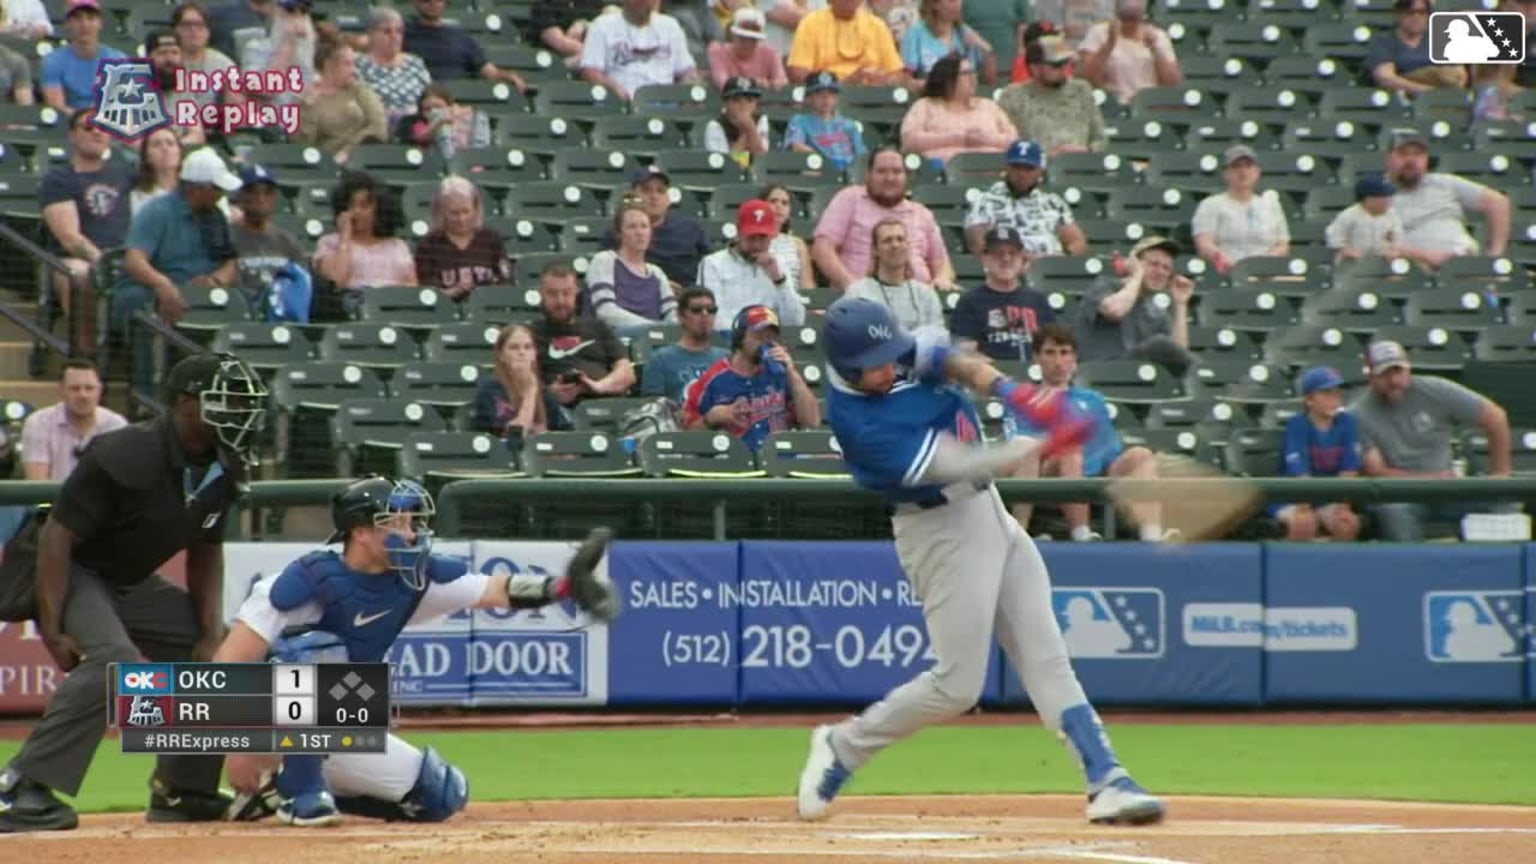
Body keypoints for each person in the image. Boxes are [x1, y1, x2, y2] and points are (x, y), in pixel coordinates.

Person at [797, 296, 1164, 826]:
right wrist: (1039, 440)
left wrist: (1016, 391)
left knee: (1047, 657)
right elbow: (961, 464)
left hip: (988, 512)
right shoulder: (860, 425)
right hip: (939, 529)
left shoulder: (890, 353)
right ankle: (843, 745)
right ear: (849, 368)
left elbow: (955, 362)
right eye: (874, 363)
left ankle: (1106, 778)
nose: (888, 365)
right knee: (958, 685)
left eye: (889, 354)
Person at [215, 477, 618, 826]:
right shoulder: (301, 583)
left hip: (336, 723)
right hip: (261, 719)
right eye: (396, 522)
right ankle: (300, 796)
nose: (410, 533)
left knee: (441, 793)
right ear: (360, 532)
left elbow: (495, 589)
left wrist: (563, 588)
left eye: (411, 521)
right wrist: (240, 749)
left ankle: (279, 789)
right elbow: (228, 664)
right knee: (318, 652)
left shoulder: (411, 579)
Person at [0, 353, 269, 832]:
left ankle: (183, 790)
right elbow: (57, 538)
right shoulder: (126, 452)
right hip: (74, 568)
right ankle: (21, 786)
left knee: (217, 651)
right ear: (187, 404)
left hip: (127, 579)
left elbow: (207, 549)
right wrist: (54, 626)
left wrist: (209, 633)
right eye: (227, 402)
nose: (240, 414)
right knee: (113, 663)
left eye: (243, 403)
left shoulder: (222, 463)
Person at [1005, 324, 1167, 542]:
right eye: (1050, 353)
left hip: (1095, 472)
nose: (1058, 361)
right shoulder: (1025, 399)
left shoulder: (1093, 400)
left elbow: (1109, 452)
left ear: (1074, 358)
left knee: (1141, 454)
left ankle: (1153, 538)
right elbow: (1023, 449)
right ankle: (1081, 535)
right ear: (1037, 357)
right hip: (1048, 473)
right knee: (1070, 454)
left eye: (1064, 353)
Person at [1352, 340, 1513, 542]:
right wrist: (1431, 478)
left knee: (1504, 499)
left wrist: (1501, 474)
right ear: (1371, 377)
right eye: (1385, 374)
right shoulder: (1358, 414)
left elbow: (1496, 417)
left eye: (1398, 371)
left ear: (1408, 369)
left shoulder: (1434, 390)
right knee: (1394, 511)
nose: (1394, 380)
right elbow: (1377, 471)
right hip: (1399, 494)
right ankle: (1414, 570)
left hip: (1448, 489)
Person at [813, 148, 957, 292]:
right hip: (860, 299)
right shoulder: (850, 199)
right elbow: (823, 249)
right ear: (868, 175)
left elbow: (941, 261)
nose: (890, 178)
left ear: (907, 177)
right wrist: (850, 286)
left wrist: (942, 278)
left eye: (897, 172)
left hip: (918, 300)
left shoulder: (922, 213)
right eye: (881, 171)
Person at [682, 305, 821, 451]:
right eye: (759, 336)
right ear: (740, 337)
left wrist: (792, 372)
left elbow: (812, 421)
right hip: (734, 462)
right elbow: (686, 436)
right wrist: (711, 419)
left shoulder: (781, 374)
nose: (766, 342)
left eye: (771, 337)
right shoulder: (713, 378)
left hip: (780, 459)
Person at [1384, 130, 1510, 269]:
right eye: (1403, 154)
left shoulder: (1444, 183)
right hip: (1413, 268)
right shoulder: (1376, 194)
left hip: (1463, 261)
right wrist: (1428, 256)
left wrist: (1495, 255)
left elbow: (1498, 203)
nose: (1411, 160)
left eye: (1418, 154)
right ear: (1388, 158)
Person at [1072, 235, 1194, 376]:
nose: (1160, 272)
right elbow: (1115, 311)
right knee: (1159, 344)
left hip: (1137, 378)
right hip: (1099, 371)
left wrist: (1180, 304)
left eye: (1166, 268)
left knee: (1163, 347)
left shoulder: (1157, 312)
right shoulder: (1105, 285)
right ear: (1135, 263)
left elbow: (1178, 354)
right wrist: (1137, 274)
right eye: (1153, 264)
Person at [531, 261, 638, 408]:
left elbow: (626, 373)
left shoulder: (598, 327)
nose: (560, 301)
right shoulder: (530, 334)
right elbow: (520, 382)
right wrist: (549, 394)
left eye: (566, 293)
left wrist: (598, 386)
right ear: (541, 294)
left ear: (576, 292)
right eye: (552, 294)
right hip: (556, 412)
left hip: (607, 405)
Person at [1275, 366, 1362, 542]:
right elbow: (1300, 474)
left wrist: (1342, 507)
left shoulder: (1347, 423)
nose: (1334, 399)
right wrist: (1305, 509)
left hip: (1328, 498)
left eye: (1337, 393)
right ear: (1309, 399)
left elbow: (1349, 470)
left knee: (1346, 523)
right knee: (1303, 523)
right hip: (1292, 497)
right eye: (1326, 393)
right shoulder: (1297, 425)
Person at [963, 140, 1087, 259]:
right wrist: (1017, 260)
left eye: (1029, 168)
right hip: (1006, 268)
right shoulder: (985, 200)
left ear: (1040, 171)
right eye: (1016, 167)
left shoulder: (1053, 202)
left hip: (1051, 270)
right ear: (1007, 168)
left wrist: (1058, 261)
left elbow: (1077, 242)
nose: (1022, 174)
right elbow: (978, 245)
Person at [949, 226, 1055, 360]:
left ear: (1022, 257)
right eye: (998, 253)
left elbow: (1052, 348)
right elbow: (965, 352)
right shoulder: (970, 302)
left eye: (1012, 253)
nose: (1006, 259)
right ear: (985, 258)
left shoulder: (1037, 299)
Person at [698, 199, 807, 326]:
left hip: (769, 340)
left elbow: (795, 322)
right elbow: (712, 319)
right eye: (751, 237)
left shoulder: (778, 264)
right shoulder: (713, 264)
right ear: (738, 232)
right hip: (728, 341)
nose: (757, 244)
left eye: (763, 238)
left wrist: (779, 281)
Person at [898, 53, 1018, 167]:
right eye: (966, 73)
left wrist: (984, 139)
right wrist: (957, 138)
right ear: (948, 78)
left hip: (991, 171)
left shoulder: (989, 107)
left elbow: (1013, 141)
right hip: (942, 173)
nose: (973, 78)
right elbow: (909, 141)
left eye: (973, 72)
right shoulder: (924, 106)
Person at [997, 35, 1108, 156]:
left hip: (1081, 164)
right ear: (1035, 68)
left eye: (1066, 63)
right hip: (1033, 167)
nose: (1064, 69)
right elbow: (1006, 143)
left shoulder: (1081, 90)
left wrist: (1087, 151)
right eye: (1056, 65)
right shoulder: (1014, 96)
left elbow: (1101, 138)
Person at [19, 360, 128, 482]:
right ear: (61, 391)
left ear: (100, 390)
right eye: (75, 389)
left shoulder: (116, 425)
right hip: (54, 500)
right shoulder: (38, 423)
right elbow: (37, 483)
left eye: (89, 388)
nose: (83, 395)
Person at [1190, 145, 1291, 272]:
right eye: (1236, 166)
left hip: (1266, 272)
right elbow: (1204, 244)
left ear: (1257, 172)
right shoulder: (1211, 205)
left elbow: (1283, 245)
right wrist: (1229, 262)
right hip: (1227, 271)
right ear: (1225, 173)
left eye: (1248, 166)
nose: (1242, 171)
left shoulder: (1271, 205)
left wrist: (1265, 262)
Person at [413, 176, 511, 302]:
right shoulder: (428, 245)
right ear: (441, 212)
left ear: (476, 210)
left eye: (466, 211)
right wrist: (449, 293)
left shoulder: (491, 240)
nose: (461, 219)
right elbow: (424, 291)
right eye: (454, 213)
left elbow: (506, 282)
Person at [579, 0, 700, 101]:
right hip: (621, 105)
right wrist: (614, 90)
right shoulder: (602, 25)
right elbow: (590, 72)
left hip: (666, 104)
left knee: (710, 126)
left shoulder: (670, 26)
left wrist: (690, 93)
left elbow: (687, 71)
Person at [295, 35, 390, 163]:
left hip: (365, 157)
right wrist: (308, 107)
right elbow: (303, 146)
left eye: (353, 64)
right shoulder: (307, 100)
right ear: (328, 65)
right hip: (327, 162)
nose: (354, 70)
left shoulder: (360, 90)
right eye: (347, 64)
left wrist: (347, 151)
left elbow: (379, 128)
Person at [586, 201, 679, 330]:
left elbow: (673, 314)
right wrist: (653, 328)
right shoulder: (605, 260)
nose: (639, 232)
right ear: (619, 233)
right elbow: (606, 312)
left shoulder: (657, 273)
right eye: (632, 227)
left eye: (644, 226)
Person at [844, 218, 946, 331]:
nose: (895, 245)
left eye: (900, 239)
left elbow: (937, 337)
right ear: (875, 249)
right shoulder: (858, 293)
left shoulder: (926, 295)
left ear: (908, 246)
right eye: (887, 240)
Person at [1075, 0, 1181, 105]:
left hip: (1148, 104)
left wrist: (1155, 49)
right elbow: (1085, 77)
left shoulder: (1158, 36)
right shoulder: (1099, 32)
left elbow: (1173, 84)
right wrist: (1108, 45)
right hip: (1109, 104)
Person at [473, 324, 570, 438]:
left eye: (528, 347)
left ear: (534, 354)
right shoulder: (489, 391)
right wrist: (531, 390)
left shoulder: (544, 393)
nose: (522, 353)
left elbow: (566, 439)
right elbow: (515, 437)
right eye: (514, 347)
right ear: (501, 355)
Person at [786, 0, 908, 85]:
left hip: (872, 99)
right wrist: (843, 83)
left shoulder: (877, 26)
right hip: (826, 100)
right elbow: (798, 73)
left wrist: (884, 80)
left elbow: (897, 74)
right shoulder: (811, 23)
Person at [641, 288, 730, 402]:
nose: (705, 314)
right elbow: (654, 411)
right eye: (696, 310)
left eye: (711, 310)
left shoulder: (727, 358)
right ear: (680, 316)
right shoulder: (660, 360)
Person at [40, 0, 126, 111]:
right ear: (67, 24)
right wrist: (83, 120)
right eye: (77, 19)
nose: (84, 24)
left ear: (100, 23)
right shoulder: (52, 61)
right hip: (69, 123)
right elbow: (57, 107)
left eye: (90, 18)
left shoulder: (118, 60)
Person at [355, 7, 433, 125]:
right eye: (387, 31)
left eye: (399, 31)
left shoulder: (415, 63)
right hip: (374, 125)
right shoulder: (358, 64)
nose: (394, 36)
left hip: (417, 126)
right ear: (370, 34)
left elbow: (429, 96)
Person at [782, 71, 866, 173]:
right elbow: (796, 146)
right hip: (819, 171)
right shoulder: (800, 121)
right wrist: (823, 162)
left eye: (831, 93)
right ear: (808, 98)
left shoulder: (850, 125)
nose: (826, 98)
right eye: (818, 93)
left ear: (837, 98)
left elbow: (861, 157)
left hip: (848, 172)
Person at [901, 0, 997, 85]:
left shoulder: (965, 32)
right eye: (952, 0)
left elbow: (989, 79)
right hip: (930, 98)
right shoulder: (916, 33)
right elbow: (906, 79)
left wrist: (986, 48)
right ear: (934, 4)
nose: (958, 4)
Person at [1326, 174, 1406, 264]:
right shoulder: (1349, 215)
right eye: (1384, 197)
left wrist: (1394, 250)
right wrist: (1345, 249)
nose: (1389, 200)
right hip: (1353, 263)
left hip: (1382, 262)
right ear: (1369, 199)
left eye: (1390, 196)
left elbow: (1398, 237)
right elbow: (1334, 235)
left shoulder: (1392, 215)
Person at [708, 7, 789, 90]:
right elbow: (723, 82)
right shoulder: (718, 51)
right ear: (734, 36)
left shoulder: (770, 53)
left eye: (753, 40)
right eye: (743, 38)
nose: (748, 44)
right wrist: (756, 83)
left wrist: (773, 84)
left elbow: (782, 82)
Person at [705, 76, 773, 168]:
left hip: (757, 177)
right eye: (737, 100)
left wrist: (751, 128)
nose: (743, 106)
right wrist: (745, 132)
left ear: (756, 103)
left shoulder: (761, 120)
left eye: (749, 100)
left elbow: (762, 160)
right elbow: (726, 164)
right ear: (725, 102)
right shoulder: (715, 126)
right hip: (724, 179)